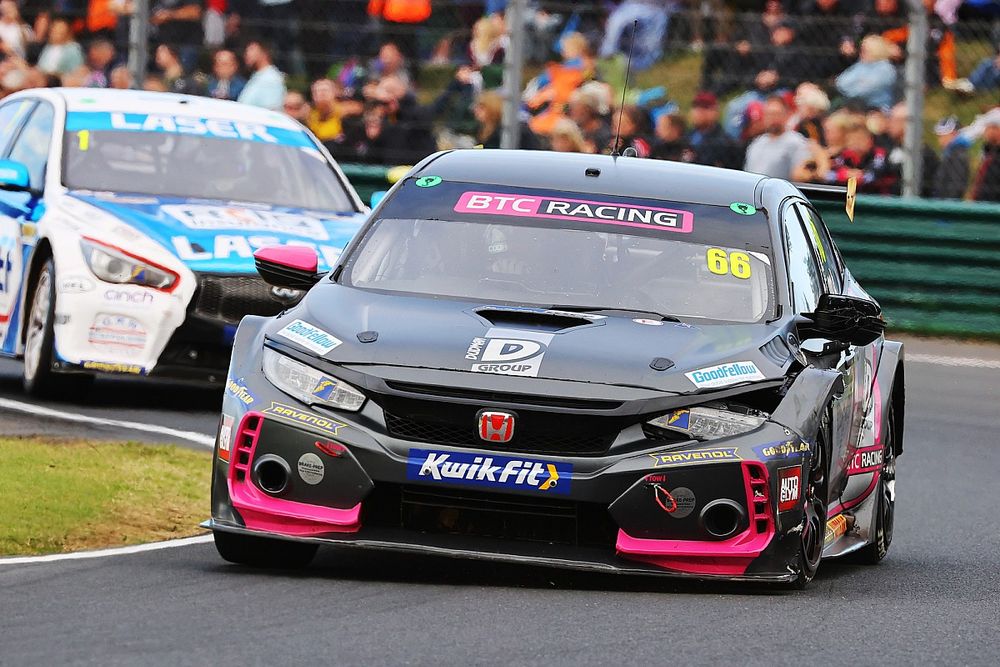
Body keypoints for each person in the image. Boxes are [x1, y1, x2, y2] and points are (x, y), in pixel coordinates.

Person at [743, 96, 812, 179]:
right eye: (768, 114)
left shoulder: (796, 142)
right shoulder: (756, 143)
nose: (772, 118)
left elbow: (802, 176)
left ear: (786, 115)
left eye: (776, 114)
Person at [599, 0, 674, 70]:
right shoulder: (628, 9)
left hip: (658, 9)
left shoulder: (659, 15)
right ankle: (608, 56)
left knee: (650, 46)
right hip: (633, 5)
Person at [825, 122, 897, 194]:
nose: (857, 143)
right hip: (850, 198)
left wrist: (857, 177)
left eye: (860, 139)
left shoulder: (879, 154)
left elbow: (872, 176)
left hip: (878, 198)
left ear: (870, 141)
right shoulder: (843, 155)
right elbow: (828, 175)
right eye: (852, 139)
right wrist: (845, 174)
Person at [835, 35, 898, 111]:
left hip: (878, 110)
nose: (861, 52)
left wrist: (854, 85)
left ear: (875, 50)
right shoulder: (861, 65)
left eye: (864, 50)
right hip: (856, 107)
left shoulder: (886, 69)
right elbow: (840, 83)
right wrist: (860, 82)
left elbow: (864, 91)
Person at [686, 91, 741, 169]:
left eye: (704, 108)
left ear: (715, 112)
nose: (699, 112)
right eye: (696, 107)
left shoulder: (725, 143)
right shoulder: (686, 136)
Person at [151, 1, 203, 69]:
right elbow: (148, 13)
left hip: (187, 43)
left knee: (184, 70)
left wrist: (169, 15)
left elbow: (195, 11)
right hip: (163, 42)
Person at [238, 39, 286, 111]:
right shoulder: (258, 75)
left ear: (264, 52)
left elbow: (272, 109)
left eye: (251, 50)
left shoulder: (271, 78)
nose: (247, 54)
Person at [931, 116, 969, 200]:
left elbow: (956, 186)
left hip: (946, 205)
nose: (939, 140)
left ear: (953, 133)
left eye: (942, 136)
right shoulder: (951, 153)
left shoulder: (957, 155)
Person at [567, 83, 611, 154]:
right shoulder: (574, 133)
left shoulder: (606, 137)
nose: (572, 112)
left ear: (588, 110)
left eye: (576, 108)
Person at [971, 109, 1000, 203]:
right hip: (983, 206)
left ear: (997, 129)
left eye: (987, 127)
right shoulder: (988, 152)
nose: (984, 132)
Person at [307, 78, 343, 143]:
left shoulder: (346, 113)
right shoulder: (309, 116)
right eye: (316, 91)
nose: (321, 94)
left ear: (336, 92)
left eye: (325, 90)